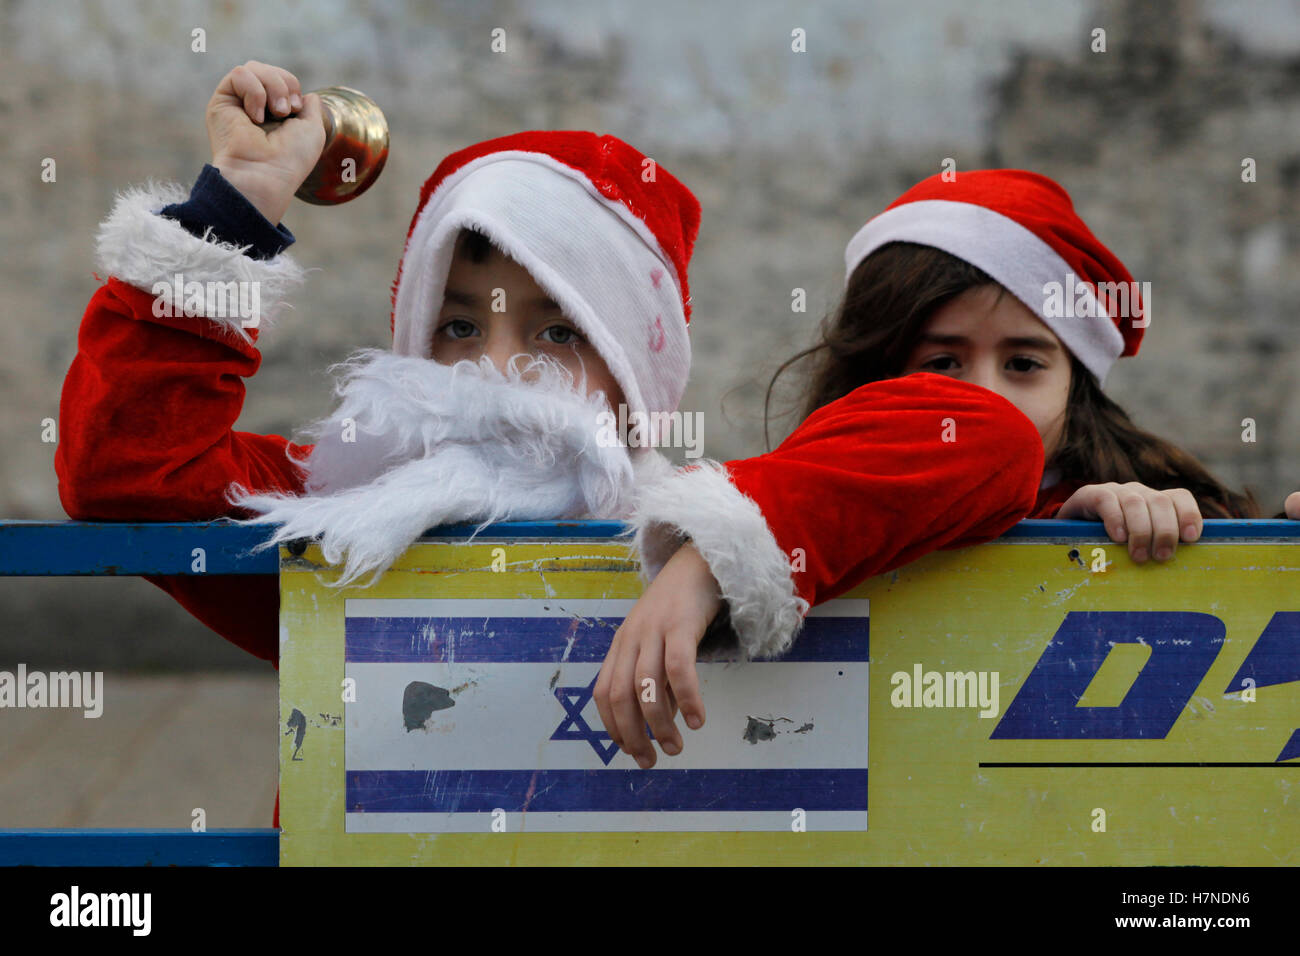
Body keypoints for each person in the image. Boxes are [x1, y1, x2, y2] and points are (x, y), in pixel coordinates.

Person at [597, 168, 1261, 769]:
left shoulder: (1125, 500)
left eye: (1024, 364)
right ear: (876, 380)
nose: (983, 398)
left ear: (1076, 386)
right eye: (943, 364)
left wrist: (1102, 532)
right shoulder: (818, 500)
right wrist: (707, 560)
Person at [56, 60, 703, 662]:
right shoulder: (333, 516)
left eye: (560, 334)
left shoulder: (695, 551)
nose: (498, 369)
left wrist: (714, 570)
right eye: (459, 326)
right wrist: (239, 204)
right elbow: (130, 474)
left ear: (639, 375)